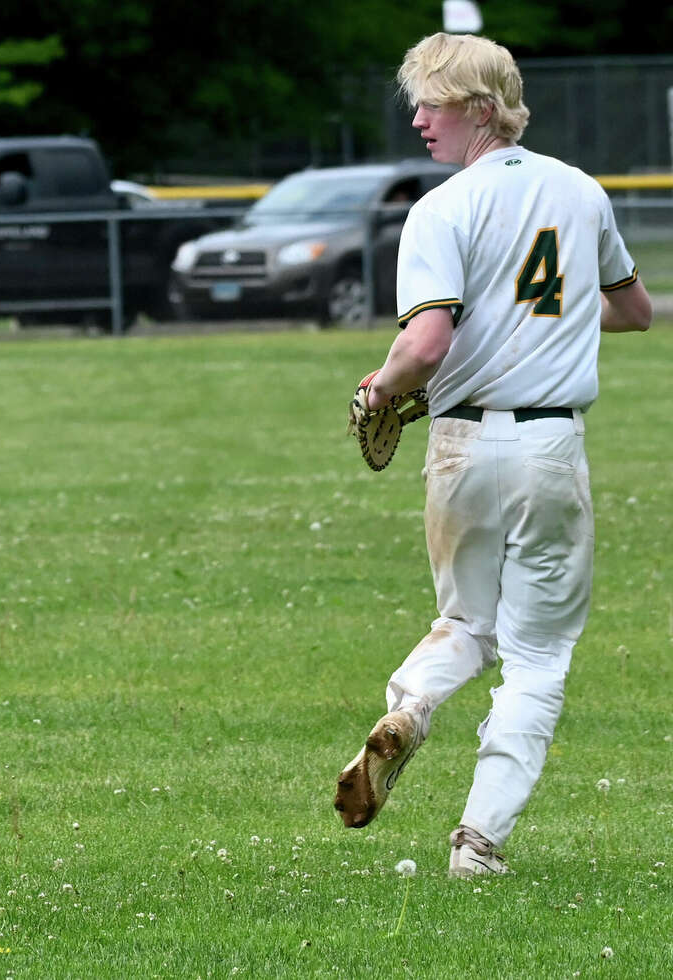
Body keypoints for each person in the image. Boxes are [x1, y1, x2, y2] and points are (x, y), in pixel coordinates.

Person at [332, 33, 652, 876]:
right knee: (539, 656)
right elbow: (635, 311)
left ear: (479, 109)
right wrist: (553, 321)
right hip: (549, 443)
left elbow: (427, 342)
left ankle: (413, 705)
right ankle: (479, 843)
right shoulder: (581, 192)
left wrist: (377, 389)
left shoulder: (442, 208)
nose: (417, 117)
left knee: (465, 623)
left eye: (431, 101)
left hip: (460, 445)